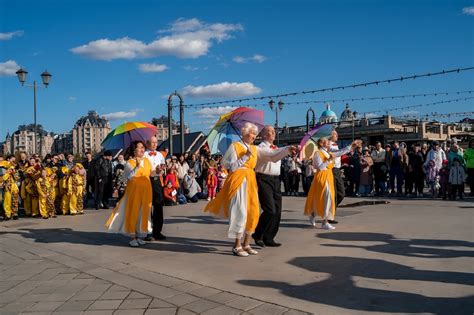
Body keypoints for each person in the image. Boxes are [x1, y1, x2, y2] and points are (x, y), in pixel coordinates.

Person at [204, 122, 261, 257]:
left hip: (251, 181)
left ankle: (247, 244)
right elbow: (232, 167)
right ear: (244, 134)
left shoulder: (254, 148)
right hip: (238, 181)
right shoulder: (235, 146)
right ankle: (237, 245)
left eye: (254, 133)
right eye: (250, 133)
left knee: (252, 211)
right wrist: (245, 156)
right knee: (240, 211)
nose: (253, 136)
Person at [252, 125, 295, 248]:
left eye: (274, 131)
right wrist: (287, 149)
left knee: (277, 210)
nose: (273, 133)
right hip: (263, 178)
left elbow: (276, 153)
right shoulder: (260, 148)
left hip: (276, 179)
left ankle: (269, 237)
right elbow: (273, 156)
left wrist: (288, 150)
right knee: (270, 209)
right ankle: (258, 233)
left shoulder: (275, 147)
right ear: (263, 135)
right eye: (270, 131)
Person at [305, 137, 360, 230]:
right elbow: (319, 167)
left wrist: (351, 146)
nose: (328, 143)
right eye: (326, 142)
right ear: (322, 143)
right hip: (322, 177)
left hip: (329, 176)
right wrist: (328, 160)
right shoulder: (318, 153)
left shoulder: (328, 153)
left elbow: (341, 152)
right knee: (327, 198)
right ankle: (324, 222)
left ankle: (314, 214)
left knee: (326, 198)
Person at [106, 141, 153, 247]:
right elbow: (129, 177)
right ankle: (133, 236)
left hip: (146, 191)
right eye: (139, 147)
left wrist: (158, 171)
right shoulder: (129, 162)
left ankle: (140, 235)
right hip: (134, 191)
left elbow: (151, 173)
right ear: (134, 150)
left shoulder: (147, 160)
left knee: (143, 212)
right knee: (134, 212)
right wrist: (136, 167)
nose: (142, 149)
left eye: (143, 147)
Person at [144, 136, 167, 241]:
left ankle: (157, 231)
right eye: (152, 142)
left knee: (159, 206)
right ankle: (147, 232)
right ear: (147, 143)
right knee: (147, 207)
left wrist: (160, 170)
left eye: (156, 142)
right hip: (147, 181)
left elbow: (163, 169)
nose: (154, 144)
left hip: (157, 181)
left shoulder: (159, 155)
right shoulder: (144, 155)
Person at [329, 131, 355, 217]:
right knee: (337, 193)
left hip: (337, 170)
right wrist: (349, 147)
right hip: (332, 170)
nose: (337, 135)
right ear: (331, 135)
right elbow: (337, 154)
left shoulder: (335, 145)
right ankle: (330, 213)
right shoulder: (329, 144)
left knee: (340, 193)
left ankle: (330, 211)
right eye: (335, 134)